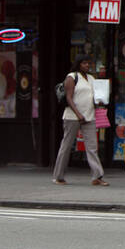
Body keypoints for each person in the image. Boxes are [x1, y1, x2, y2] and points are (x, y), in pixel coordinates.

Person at [52, 55, 107, 186]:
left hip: (89, 115)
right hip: (73, 117)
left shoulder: (92, 78)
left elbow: (93, 96)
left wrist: (99, 101)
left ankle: (97, 176)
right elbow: (69, 98)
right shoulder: (72, 77)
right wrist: (78, 114)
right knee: (66, 146)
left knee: (92, 147)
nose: (87, 65)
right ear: (78, 65)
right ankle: (58, 176)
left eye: (88, 63)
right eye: (84, 63)